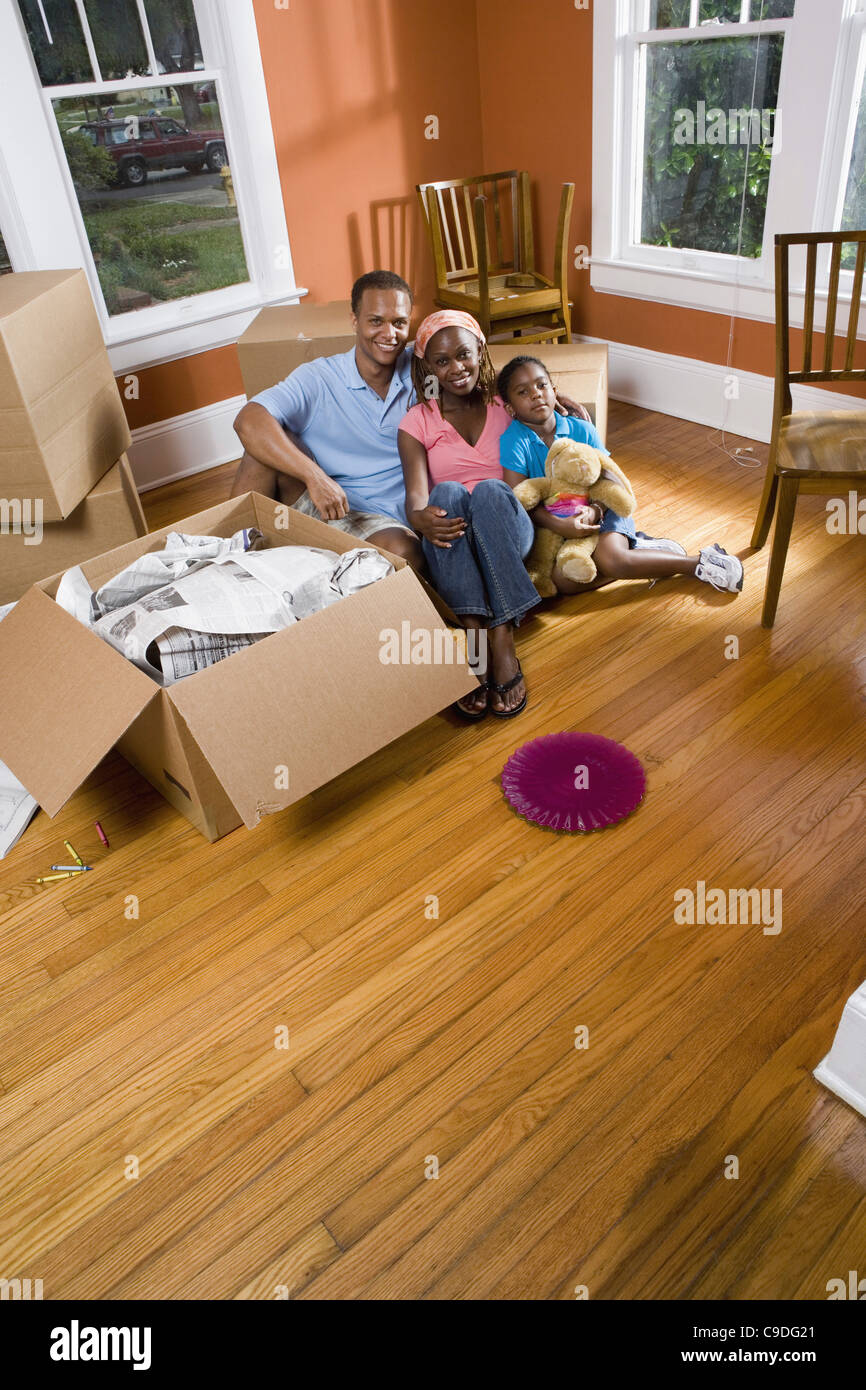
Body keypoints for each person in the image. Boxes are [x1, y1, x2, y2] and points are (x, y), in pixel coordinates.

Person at [498, 356, 745, 596]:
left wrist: (595, 510)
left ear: (554, 391)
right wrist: (559, 524)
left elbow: (611, 480)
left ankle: (697, 564)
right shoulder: (513, 441)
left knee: (613, 560)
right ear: (510, 408)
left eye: (541, 385)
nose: (536, 394)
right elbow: (520, 501)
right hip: (557, 522)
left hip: (603, 507)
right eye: (523, 392)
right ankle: (643, 553)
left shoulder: (581, 429)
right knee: (565, 582)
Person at [398, 312, 540, 720]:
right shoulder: (416, 422)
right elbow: (416, 496)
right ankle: (476, 636)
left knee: (491, 490)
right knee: (446, 493)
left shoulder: (505, 403)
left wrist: (562, 402)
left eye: (464, 355)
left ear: (480, 350)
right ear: (428, 366)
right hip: (455, 539)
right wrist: (419, 518)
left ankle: (502, 640)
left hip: (508, 531)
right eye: (442, 361)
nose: (456, 368)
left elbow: (542, 404)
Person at [231, 271, 422, 566]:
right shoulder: (320, 377)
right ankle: (231, 555)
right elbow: (248, 420)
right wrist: (315, 478)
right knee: (261, 448)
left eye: (399, 322)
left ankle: (309, 562)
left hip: (386, 523)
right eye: (376, 321)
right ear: (355, 320)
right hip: (327, 503)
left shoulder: (424, 372)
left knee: (402, 552)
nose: (389, 334)